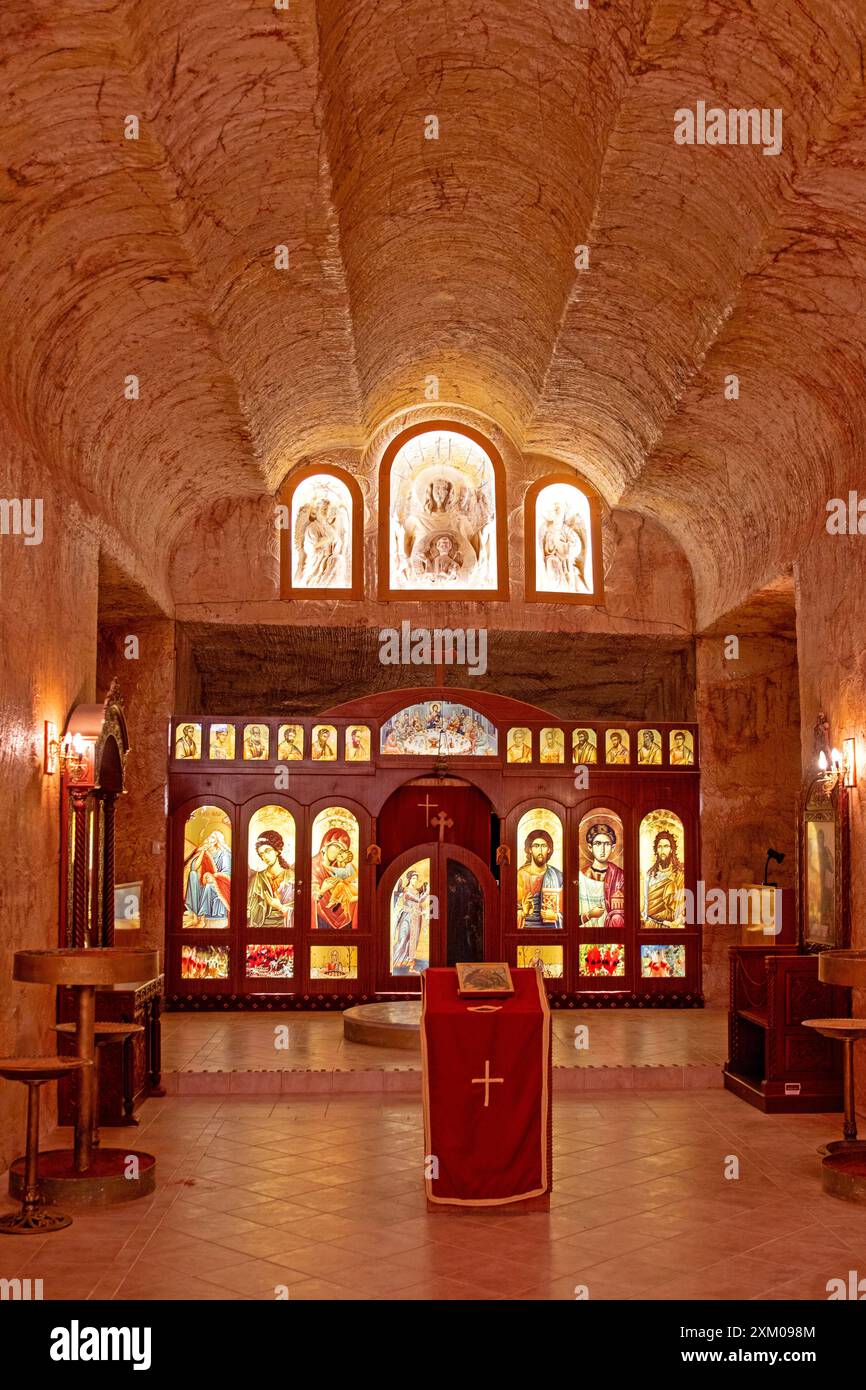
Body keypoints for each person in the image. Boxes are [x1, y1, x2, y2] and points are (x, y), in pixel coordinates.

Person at [578, 822, 626, 930]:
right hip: (585, 933)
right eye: (598, 844)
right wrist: (589, 914)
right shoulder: (580, 877)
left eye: (607, 844)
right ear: (590, 847)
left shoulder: (620, 876)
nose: (602, 849)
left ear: (613, 847)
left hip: (611, 933)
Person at [311, 827, 358, 929]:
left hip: (342, 916)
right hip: (321, 917)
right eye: (336, 847)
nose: (338, 853)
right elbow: (307, 898)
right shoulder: (313, 866)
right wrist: (322, 891)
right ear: (326, 844)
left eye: (342, 851)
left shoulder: (340, 867)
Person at [247, 829, 294, 929]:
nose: (265, 857)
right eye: (261, 854)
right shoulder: (258, 878)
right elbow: (250, 908)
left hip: (286, 928)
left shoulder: (292, 876)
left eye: (267, 851)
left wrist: (280, 907)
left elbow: (301, 912)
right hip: (261, 927)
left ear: (277, 850)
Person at [517, 830, 564, 928]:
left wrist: (556, 916)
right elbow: (508, 911)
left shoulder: (558, 876)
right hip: (526, 929)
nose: (540, 850)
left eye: (544, 846)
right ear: (529, 849)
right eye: (536, 846)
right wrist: (523, 912)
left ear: (549, 849)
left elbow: (567, 910)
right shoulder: (520, 875)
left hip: (551, 929)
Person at [184, 830, 231, 927]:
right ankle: (194, 915)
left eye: (213, 838)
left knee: (208, 887)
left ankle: (202, 916)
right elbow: (194, 868)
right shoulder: (206, 853)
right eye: (209, 837)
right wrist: (202, 851)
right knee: (193, 875)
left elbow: (227, 872)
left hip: (221, 882)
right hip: (205, 881)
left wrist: (213, 878)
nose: (210, 840)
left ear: (217, 841)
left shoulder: (224, 854)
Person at [642, 830, 685, 927]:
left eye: (666, 846)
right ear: (656, 850)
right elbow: (646, 907)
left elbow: (683, 906)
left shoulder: (680, 874)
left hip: (675, 925)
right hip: (652, 924)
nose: (662, 850)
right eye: (659, 847)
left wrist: (676, 922)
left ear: (671, 849)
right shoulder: (650, 874)